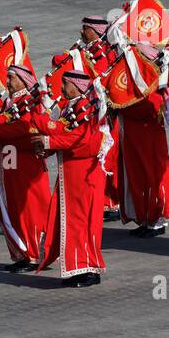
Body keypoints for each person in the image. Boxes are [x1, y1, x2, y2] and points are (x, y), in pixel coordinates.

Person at [32, 70, 108, 286]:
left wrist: (49, 142)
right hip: (70, 175)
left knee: (83, 221)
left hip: (84, 175)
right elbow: (64, 135)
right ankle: (76, 268)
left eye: (65, 84)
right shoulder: (70, 106)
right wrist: (46, 147)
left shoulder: (87, 109)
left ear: (76, 85)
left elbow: (83, 141)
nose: (62, 88)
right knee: (69, 221)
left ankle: (89, 269)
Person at [0, 64, 53, 274]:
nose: (8, 81)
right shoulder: (6, 102)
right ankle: (21, 253)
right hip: (8, 160)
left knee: (28, 208)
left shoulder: (31, 102)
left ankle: (33, 254)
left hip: (26, 163)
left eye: (11, 77)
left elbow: (24, 127)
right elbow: (4, 131)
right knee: (11, 205)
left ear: (23, 80)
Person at [116, 43, 169, 237]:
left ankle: (157, 219)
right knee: (137, 176)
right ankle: (144, 217)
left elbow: (149, 108)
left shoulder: (156, 83)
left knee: (153, 176)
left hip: (149, 138)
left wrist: (121, 105)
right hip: (132, 136)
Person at [79, 15, 122, 222]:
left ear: (94, 31)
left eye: (85, 29)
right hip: (94, 110)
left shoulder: (102, 51)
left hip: (105, 111)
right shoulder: (90, 49)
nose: (81, 33)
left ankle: (110, 202)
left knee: (106, 154)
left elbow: (104, 78)